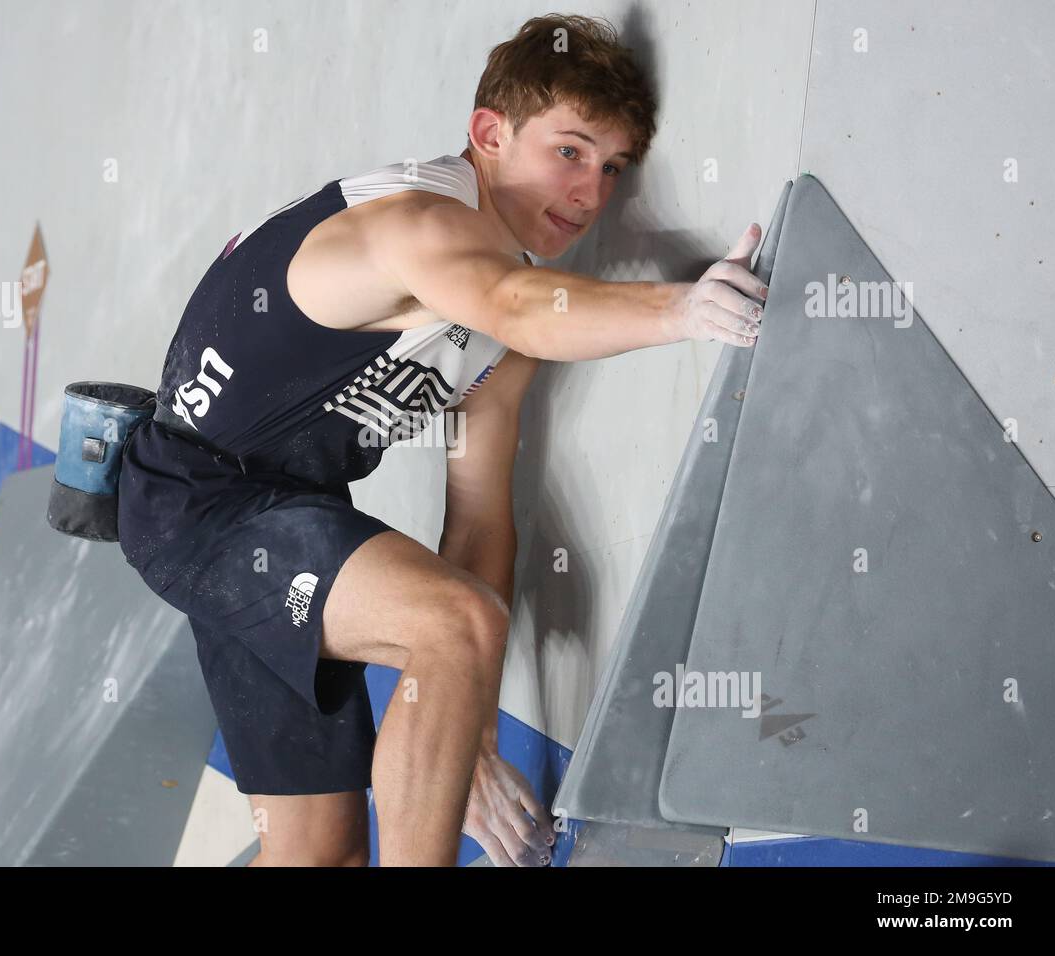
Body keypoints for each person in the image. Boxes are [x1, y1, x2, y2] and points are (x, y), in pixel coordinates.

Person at [117, 13, 766, 867]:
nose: (590, 192)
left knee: (318, 855)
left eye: (612, 168)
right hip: (199, 503)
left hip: (273, 528)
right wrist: (681, 309)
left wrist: (472, 734)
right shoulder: (417, 223)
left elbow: (480, 522)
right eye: (568, 152)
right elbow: (515, 306)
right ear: (489, 133)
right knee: (455, 622)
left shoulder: (509, 321)